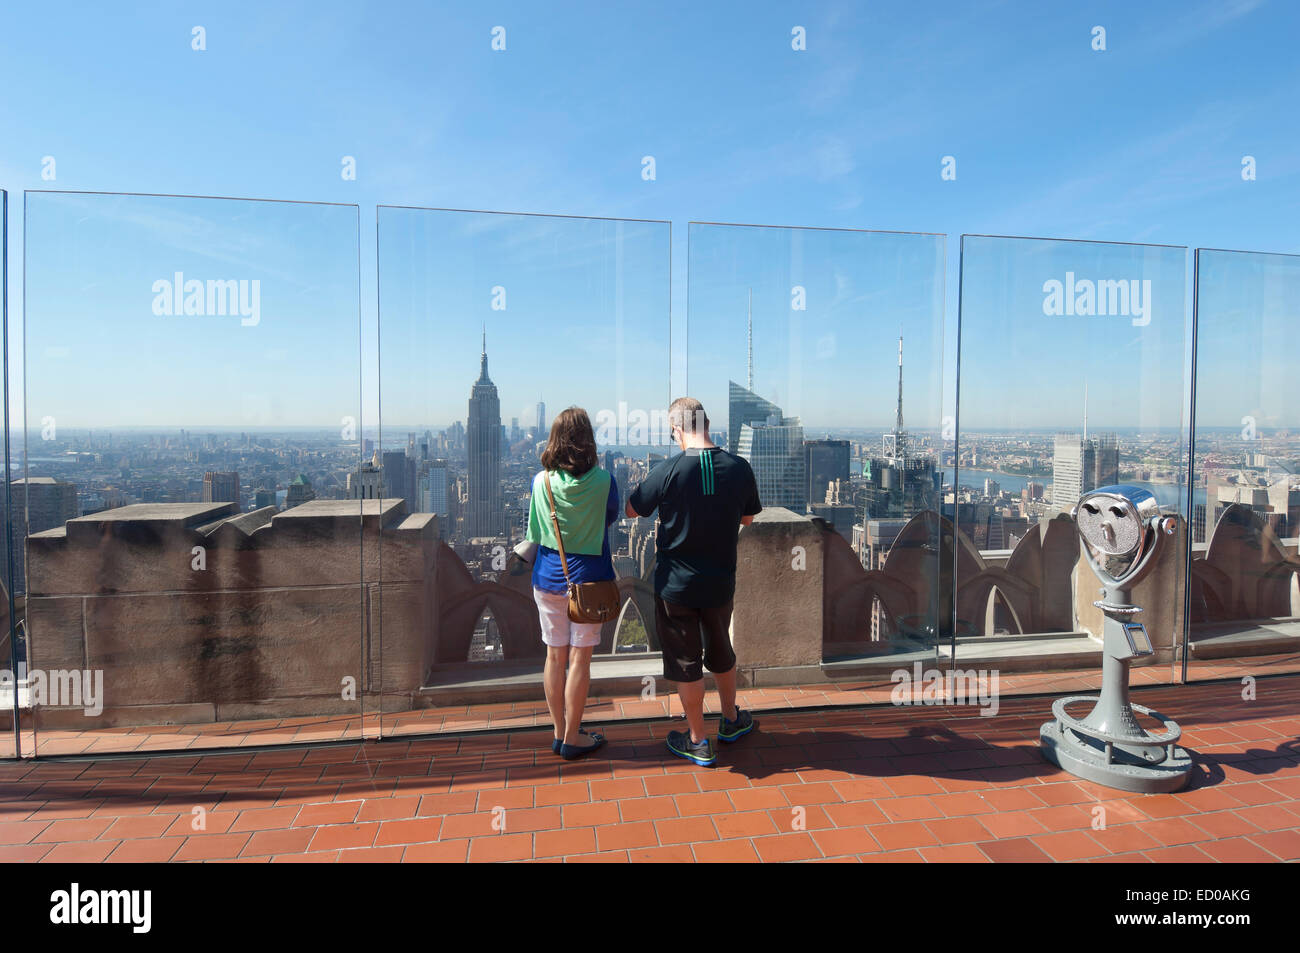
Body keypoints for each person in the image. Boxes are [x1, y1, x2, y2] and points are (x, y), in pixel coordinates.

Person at [626, 397, 761, 766]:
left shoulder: (667, 470)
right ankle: (731, 720)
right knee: (721, 650)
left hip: (675, 586)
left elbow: (632, 508)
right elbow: (747, 520)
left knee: (686, 661)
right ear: (707, 423)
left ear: (677, 429)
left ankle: (698, 739)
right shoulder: (739, 468)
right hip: (719, 581)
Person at [524, 407, 620, 760]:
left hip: (548, 577)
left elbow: (534, 532)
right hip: (590, 583)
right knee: (580, 660)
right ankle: (573, 737)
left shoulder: (541, 482)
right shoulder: (606, 481)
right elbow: (610, 517)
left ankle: (558, 732)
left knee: (554, 656)